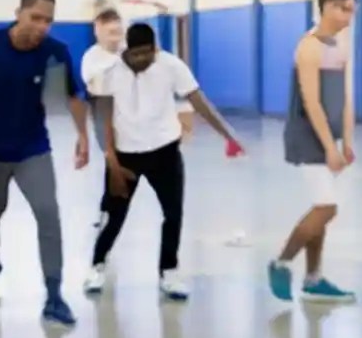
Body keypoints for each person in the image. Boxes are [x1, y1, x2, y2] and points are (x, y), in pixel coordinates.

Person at [0, 0, 91, 328]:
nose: (42, 26)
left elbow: (73, 96)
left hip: (33, 149)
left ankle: (54, 295)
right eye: (36, 17)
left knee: (48, 213)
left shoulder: (56, 52)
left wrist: (83, 136)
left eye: (49, 20)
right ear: (19, 13)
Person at [83, 23, 244, 300]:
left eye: (149, 53)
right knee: (114, 216)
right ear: (127, 52)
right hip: (126, 156)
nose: (143, 59)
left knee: (173, 214)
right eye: (137, 55)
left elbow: (198, 100)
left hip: (165, 151)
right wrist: (111, 159)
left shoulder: (172, 66)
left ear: (155, 49)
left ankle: (168, 271)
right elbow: (102, 117)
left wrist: (227, 134)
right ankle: (97, 265)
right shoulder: (109, 73)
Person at [266, 0, 358, 303]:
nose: (349, 17)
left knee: (323, 207)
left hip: (328, 139)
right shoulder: (309, 47)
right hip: (307, 136)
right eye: (344, 9)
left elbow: (345, 98)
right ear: (327, 8)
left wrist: (346, 141)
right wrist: (328, 148)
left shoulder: (341, 46)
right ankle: (280, 263)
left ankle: (313, 277)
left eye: (352, 11)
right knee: (326, 207)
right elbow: (311, 102)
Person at [81, 8, 125, 226]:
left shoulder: (129, 51)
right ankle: (107, 209)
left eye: (118, 31)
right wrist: (116, 62)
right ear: (98, 32)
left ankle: (111, 207)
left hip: (129, 111)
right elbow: (92, 82)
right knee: (112, 158)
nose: (115, 37)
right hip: (103, 110)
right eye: (110, 32)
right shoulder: (92, 57)